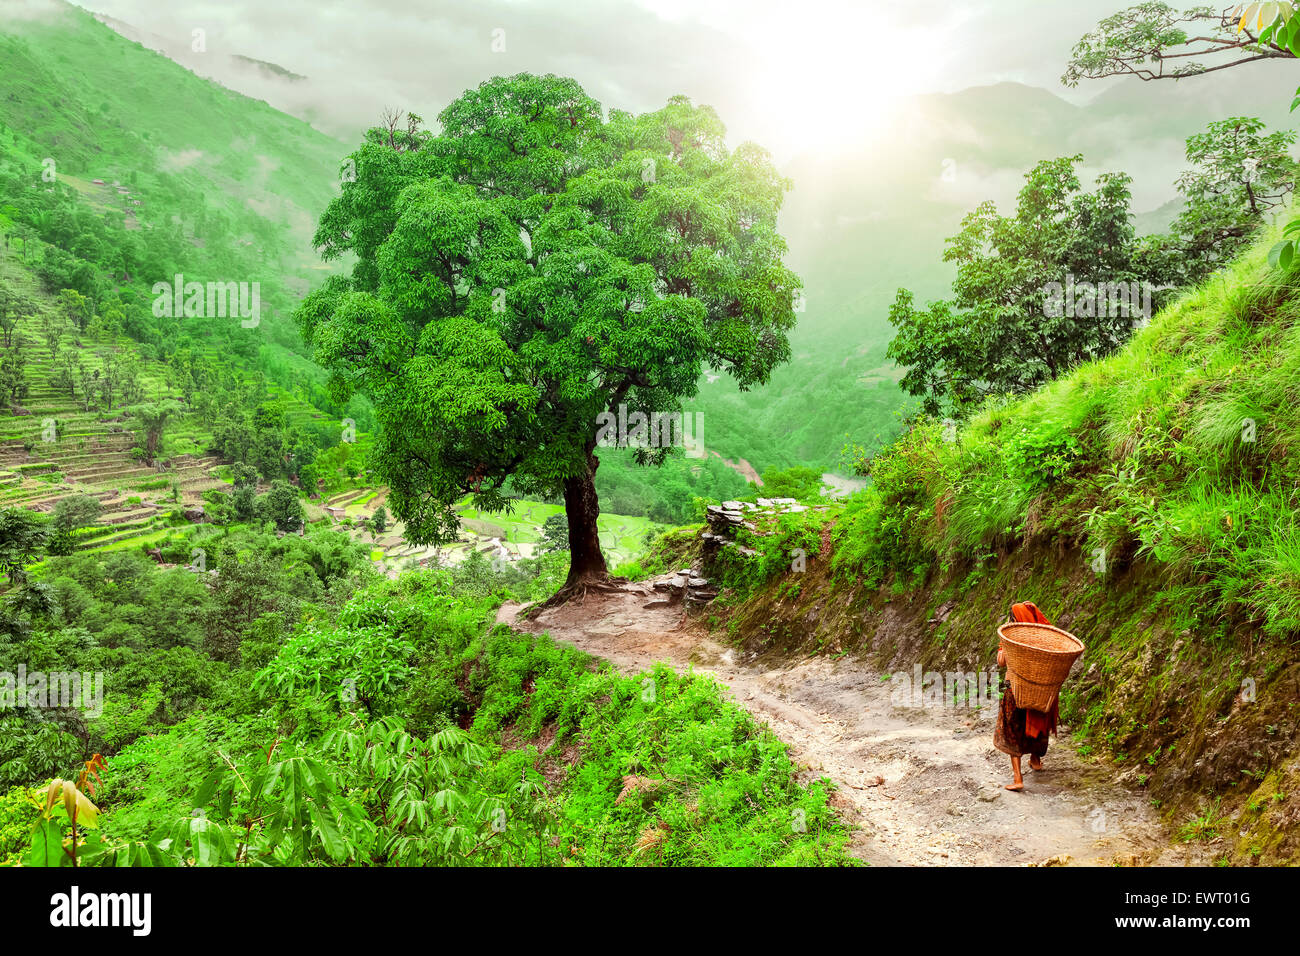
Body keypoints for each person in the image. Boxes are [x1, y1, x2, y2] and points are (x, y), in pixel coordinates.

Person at [994, 601, 1059, 792]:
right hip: (1040, 692)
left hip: (1016, 691)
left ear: (1015, 620)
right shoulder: (1043, 639)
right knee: (1035, 724)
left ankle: (1018, 778)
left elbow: (1001, 662)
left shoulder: (1011, 638)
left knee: (1012, 730)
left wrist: (1005, 643)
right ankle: (1035, 760)